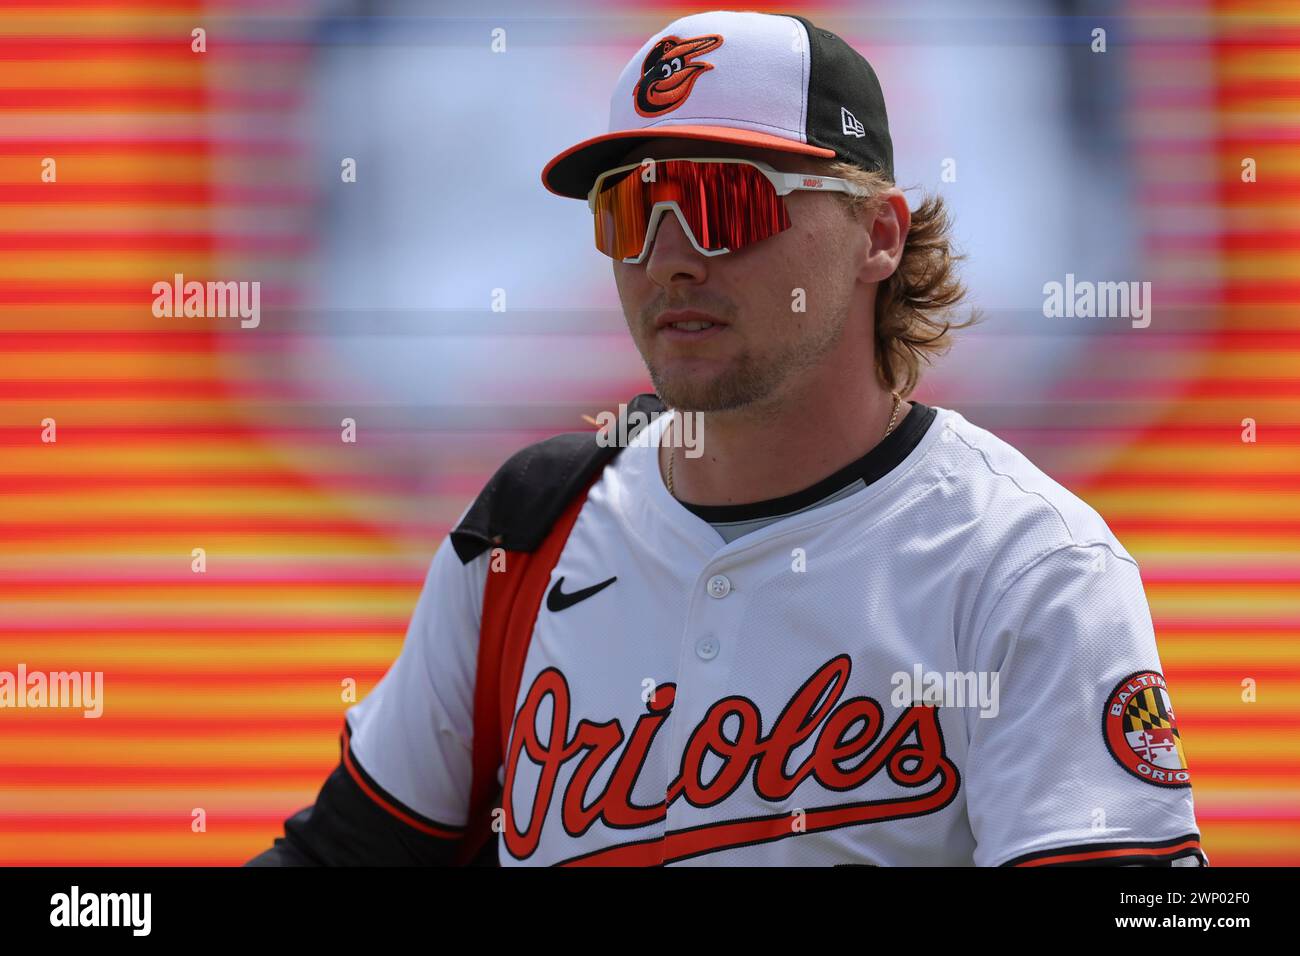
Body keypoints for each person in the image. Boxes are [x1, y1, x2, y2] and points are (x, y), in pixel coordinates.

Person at [248, 10, 1206, 867]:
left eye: (722, 204)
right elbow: (344, 855)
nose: (669, 258)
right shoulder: (525, 528)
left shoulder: (1027, 566)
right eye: (629, 209)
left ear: (879, 234)